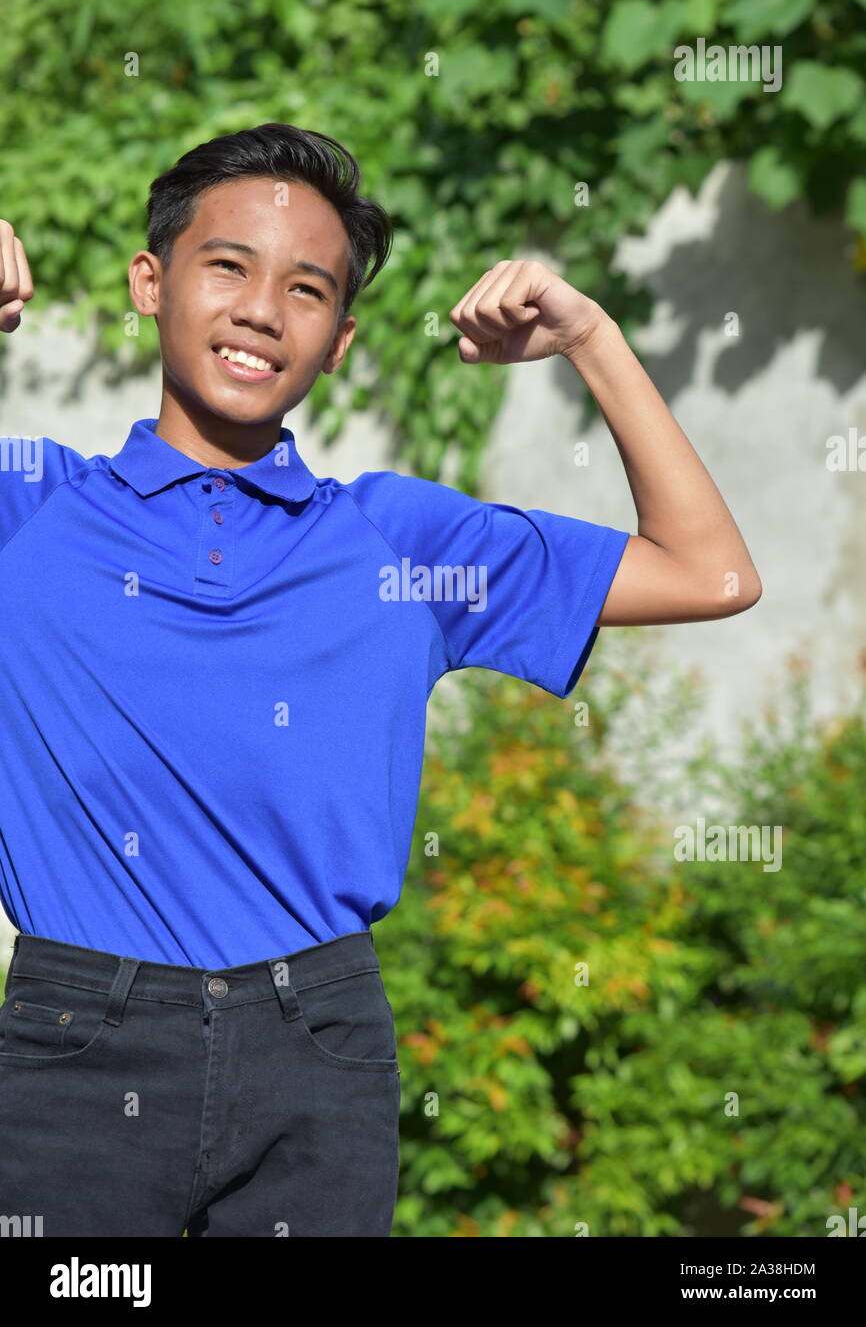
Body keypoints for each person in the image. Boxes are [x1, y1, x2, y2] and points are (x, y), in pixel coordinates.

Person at [0, 123, 761, 1238]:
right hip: (75, 1053)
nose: (262, 309)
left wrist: (590, 336)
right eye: (227, 267)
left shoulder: (397, 541)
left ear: (340, 342)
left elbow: (712, 572)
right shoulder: (30, 508)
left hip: (317, 1055)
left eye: (306, 290)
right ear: (148, 283)